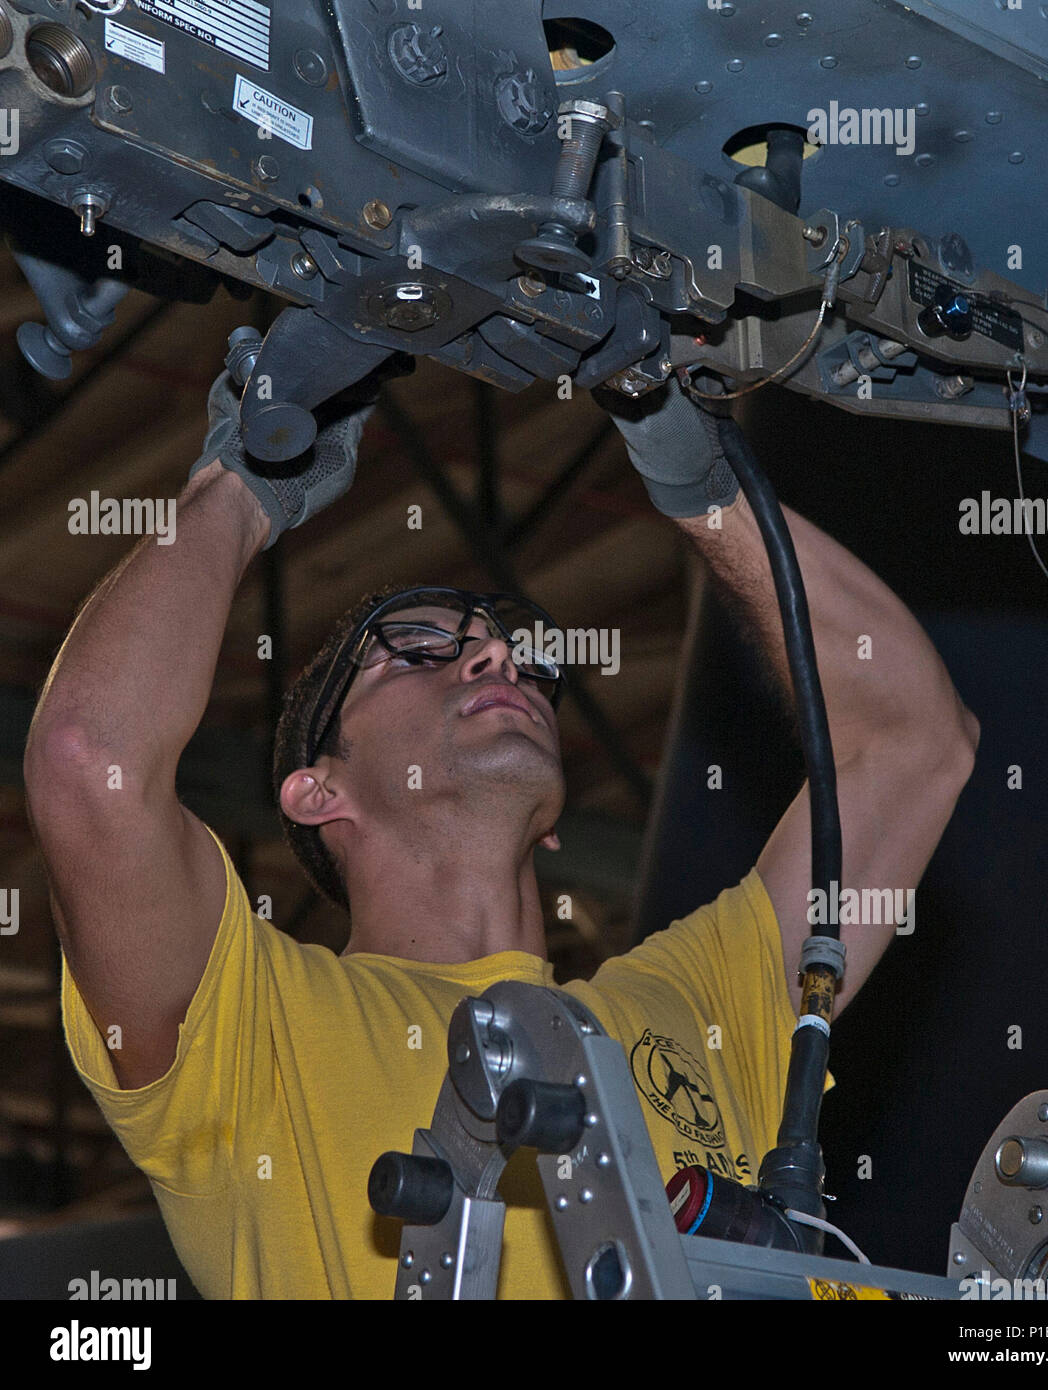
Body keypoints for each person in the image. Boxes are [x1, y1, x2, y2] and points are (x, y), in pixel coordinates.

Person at [22, 366, 978, 1299]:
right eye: (414, 649)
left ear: (552, 827)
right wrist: (243, 485)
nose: (495, 652)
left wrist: (703, 489)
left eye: (504, 649)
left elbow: (914, 744)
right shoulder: (253, 1028)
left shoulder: (696, 1003)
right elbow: (88, 760)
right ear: (318, 794)